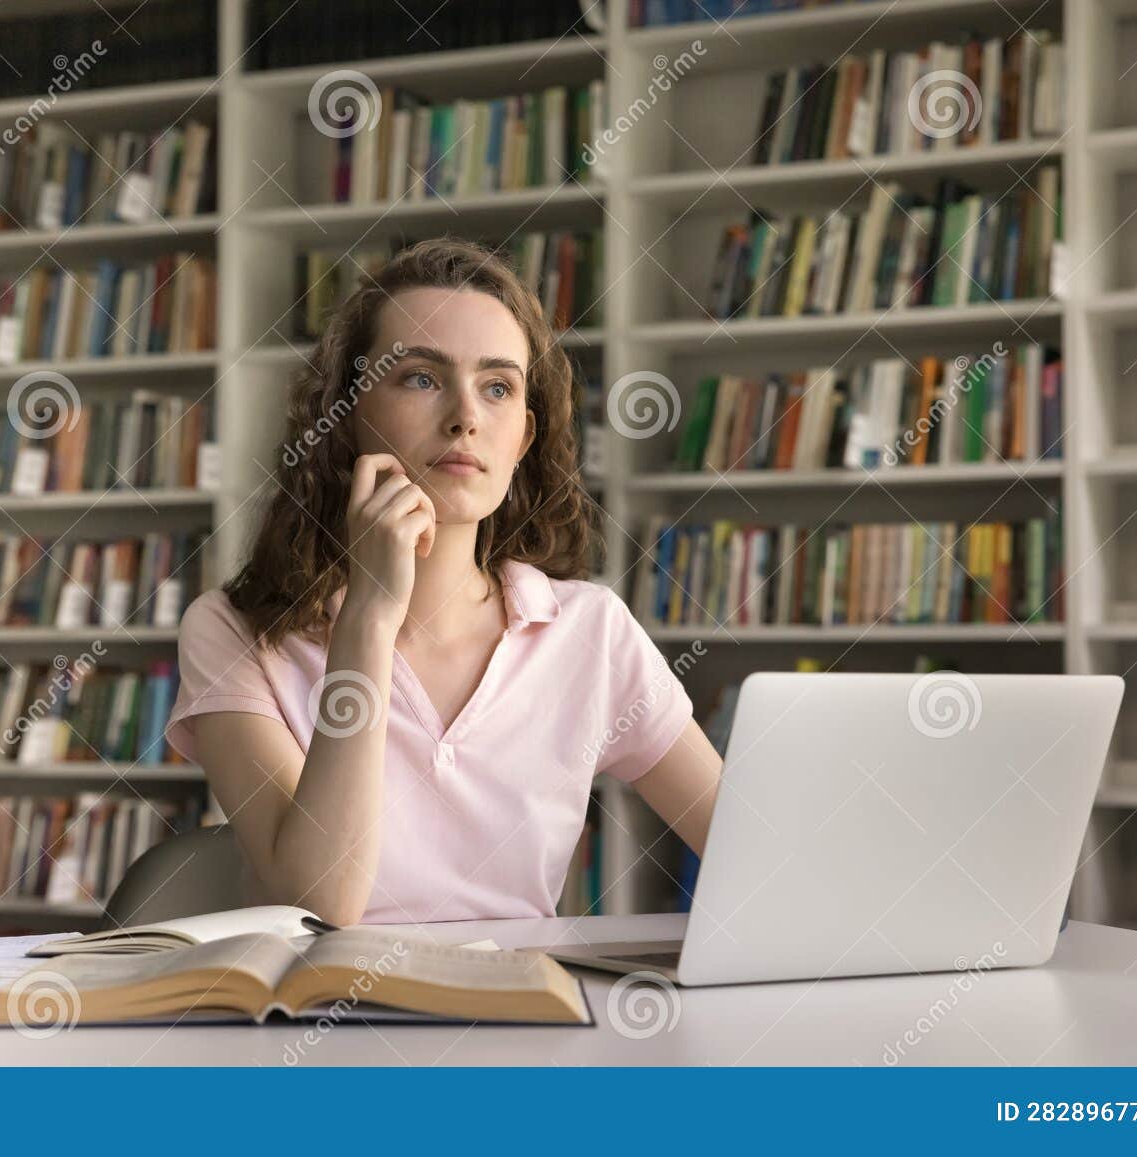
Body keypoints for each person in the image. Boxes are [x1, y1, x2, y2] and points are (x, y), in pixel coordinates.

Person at [164, 237, 723, 925]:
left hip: (520, 1018)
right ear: (349, 414)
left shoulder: (590, 630)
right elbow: (317, 904)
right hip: (321, 1021)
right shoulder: (232, 628)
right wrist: (369, 619)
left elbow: (750, 857)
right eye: (422, 377)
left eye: (498, 387)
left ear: (521, 438)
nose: (465, 417)